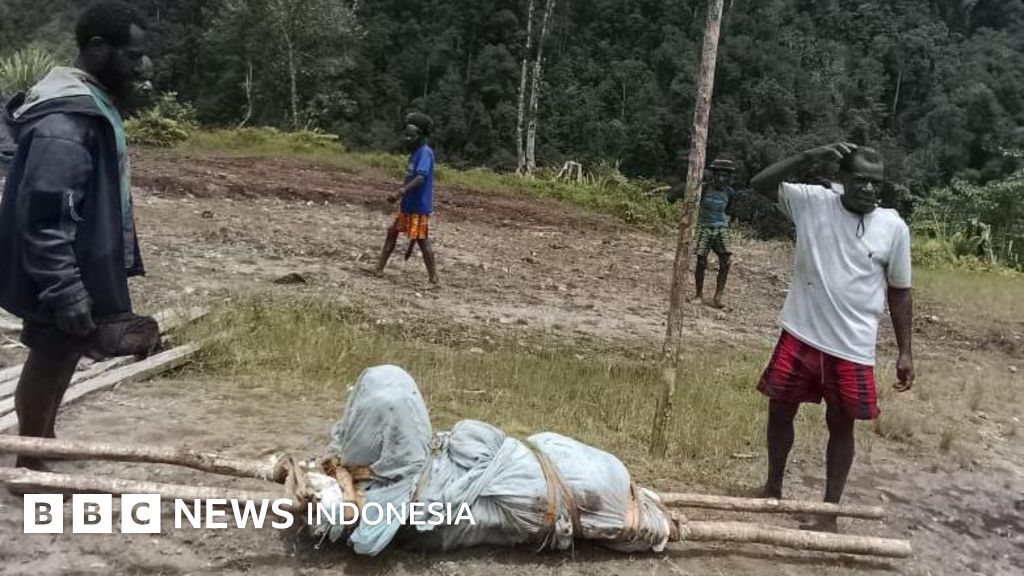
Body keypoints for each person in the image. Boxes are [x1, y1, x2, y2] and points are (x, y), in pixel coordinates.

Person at [0, 1, 157, 471]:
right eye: (131, 56)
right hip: (57, 266)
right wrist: (64, 287)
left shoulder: (83, 106)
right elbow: (47, 212)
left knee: (62, 351)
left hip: (69, 263)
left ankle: (42, 440)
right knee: (51, 351)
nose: (140, 66)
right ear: (96, 48)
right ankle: (31, 464)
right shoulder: (64, 122)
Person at [749, 143, 915, 532]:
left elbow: (900, 290)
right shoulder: (813, 203)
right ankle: (772, 488)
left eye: (877, 184)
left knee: (841, 425)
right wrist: (808, 156)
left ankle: (829, 511)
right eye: (860, 181)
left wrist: (906, 351)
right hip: (801, 333)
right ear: (842, 179)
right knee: (779, 410)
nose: (870, 191)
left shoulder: (894, 227)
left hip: (853, 346)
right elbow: (758, 183)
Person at [375, 112, 438, 284]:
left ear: (421, 136)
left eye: (411, 135)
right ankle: (379, 269)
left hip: (418, 207)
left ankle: (434, 278)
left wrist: (400, 192)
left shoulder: (425, 153)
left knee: (421, 240)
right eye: (406, 135)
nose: (407, 138)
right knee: (392, 233)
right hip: (408, 206)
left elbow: (421, 177)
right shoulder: (415, 153)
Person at [693, 158, 736, 308]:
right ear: (714, 175)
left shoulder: (730, 192)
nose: (721, 178)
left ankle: (718, 296)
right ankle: (698, 294)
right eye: (719, 175)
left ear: (729, 178)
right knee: (701, 260)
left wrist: (725, 224)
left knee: (726, 261)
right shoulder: (704, 188)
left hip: (721, 229)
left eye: (725, 176)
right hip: (704, 227)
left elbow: (728, 211)